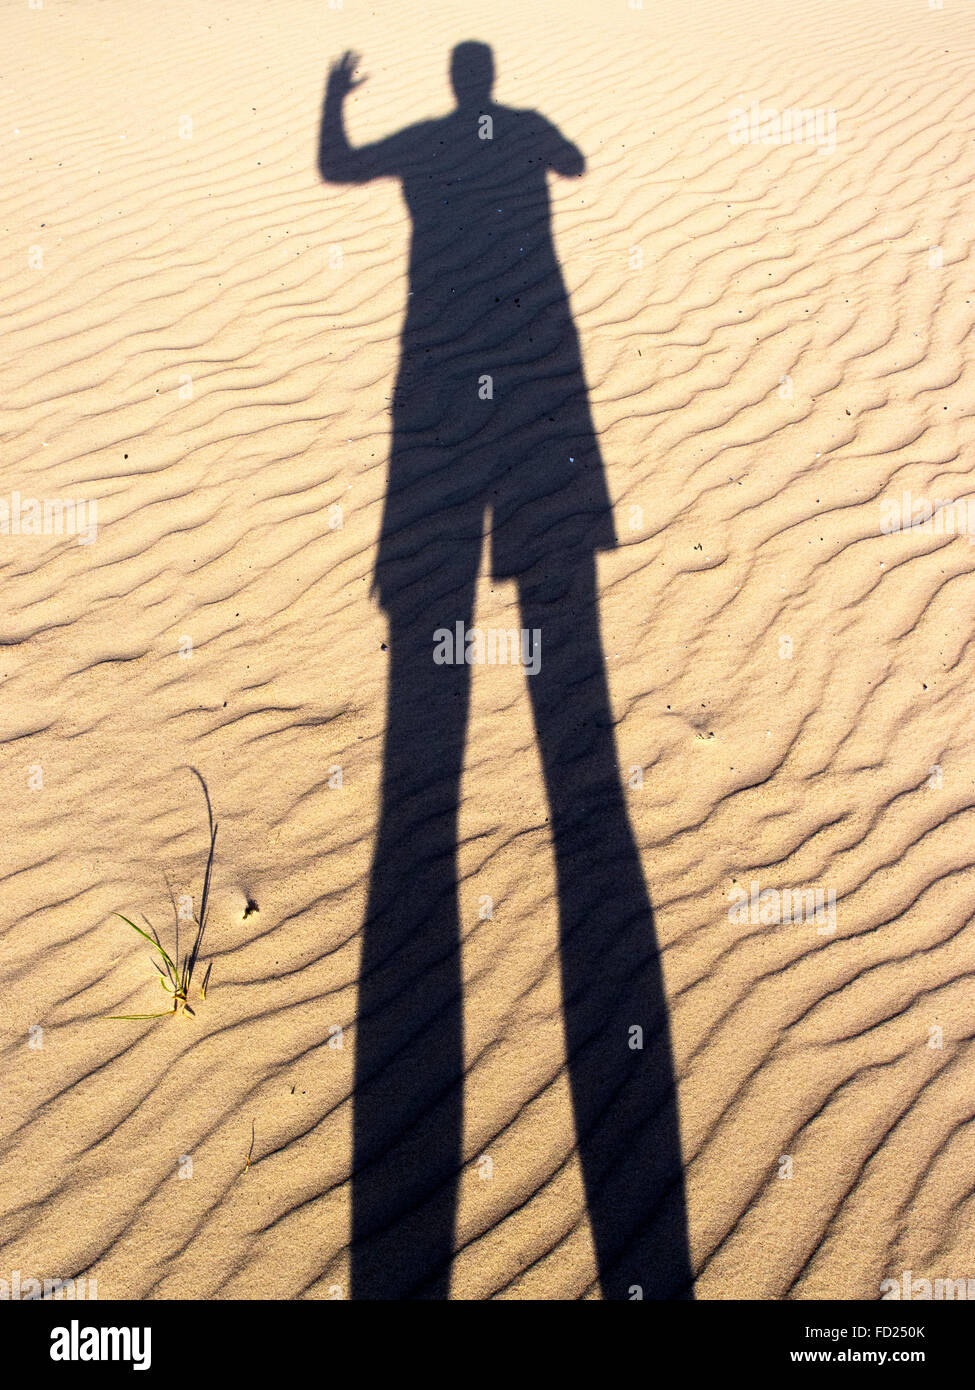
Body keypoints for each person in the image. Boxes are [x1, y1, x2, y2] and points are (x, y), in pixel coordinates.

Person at [320, 41, 692, 1300]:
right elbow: (578, 160)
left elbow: (336, 164)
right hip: (530, 401)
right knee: (558, 648)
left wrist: (335, 99)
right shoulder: (516, 127)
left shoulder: (423, 143)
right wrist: (535, 135)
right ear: (494, 80)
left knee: (443, 701)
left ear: (451, 81)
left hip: (438, 399)